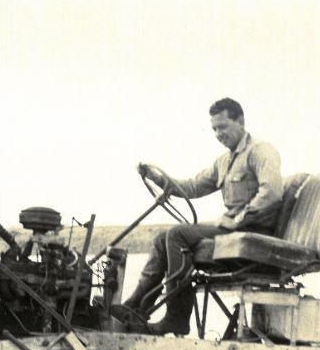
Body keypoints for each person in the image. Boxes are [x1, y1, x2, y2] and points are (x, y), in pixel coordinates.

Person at [114, 97, 284, 335]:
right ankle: (136, 307)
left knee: (176, 235)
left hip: (254, 233)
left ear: (241, 121)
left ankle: (176, 317)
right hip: (232, 230)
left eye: (222, 127)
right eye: (214, 128)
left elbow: (272, 193)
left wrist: (238, 219)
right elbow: (192, 187)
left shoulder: (260, 151)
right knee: (162, 237)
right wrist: (157, 178)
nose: (218, 134)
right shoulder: (224, 161)